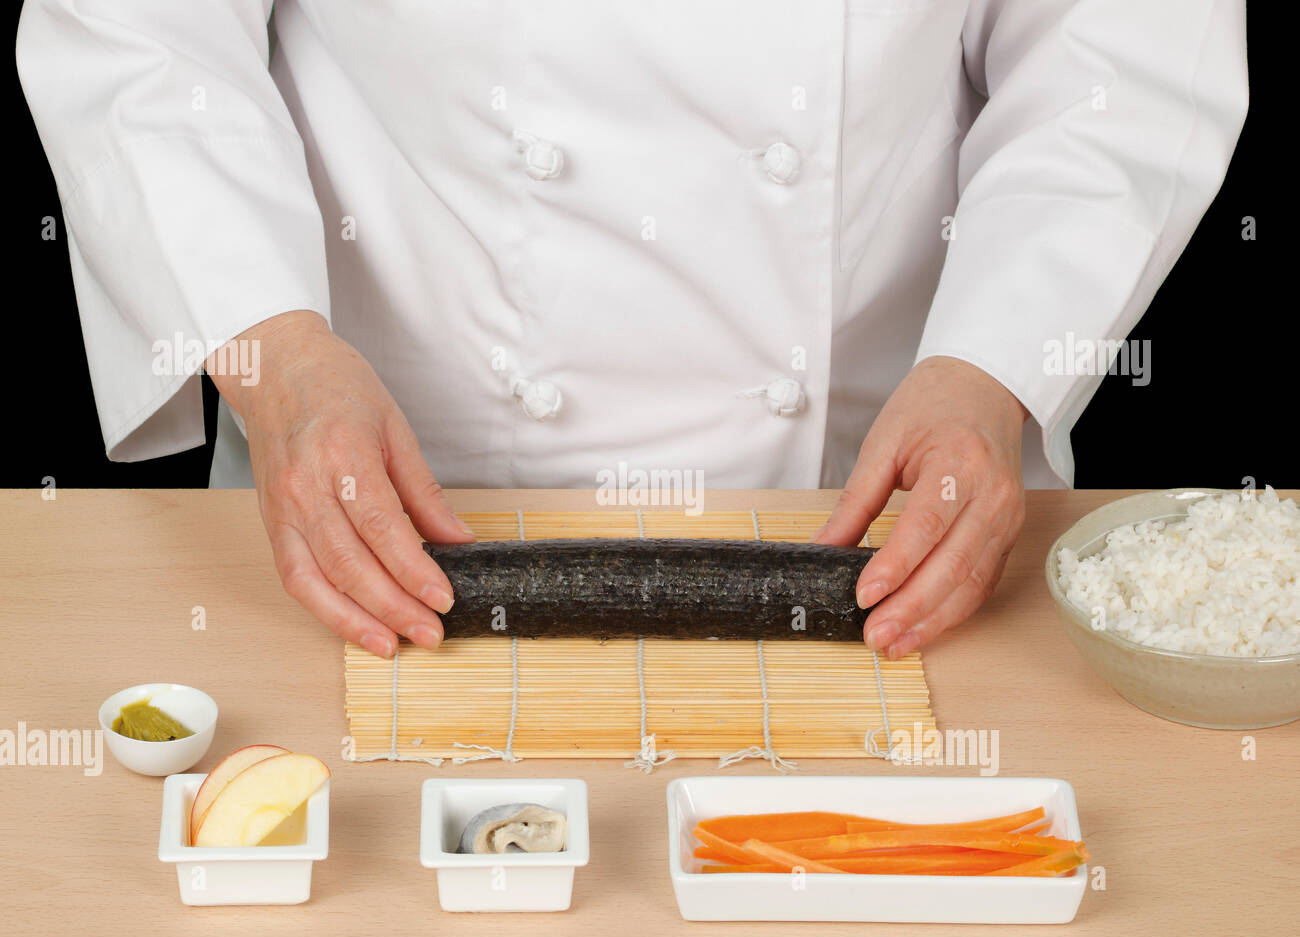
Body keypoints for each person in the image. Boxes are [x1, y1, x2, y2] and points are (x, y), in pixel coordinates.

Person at [17, 2, 1248, 659]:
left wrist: (997, 361)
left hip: (872, 529)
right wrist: (271, 360)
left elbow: (1121, 56)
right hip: (378, 520)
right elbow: (137, 32)